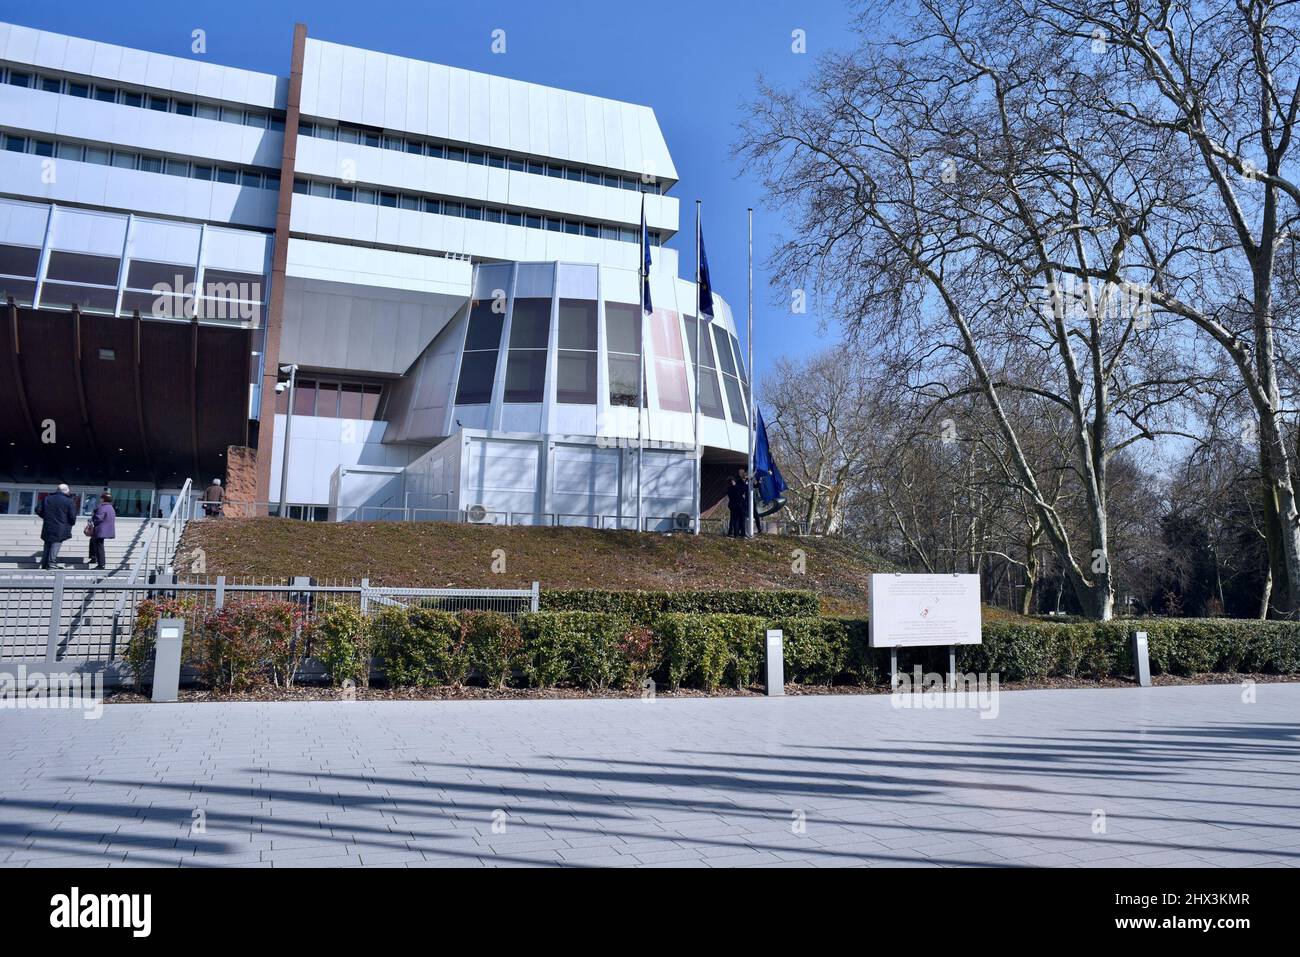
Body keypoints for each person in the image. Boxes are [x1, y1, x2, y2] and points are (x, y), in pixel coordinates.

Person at [35, 483, 78, 570]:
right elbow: (72, 516)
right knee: (55, 545)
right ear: (65, 491)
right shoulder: (69, 501)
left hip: (48, 525)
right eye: (68, 490)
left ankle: (45, 564)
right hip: (61, 526)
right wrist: (70, 523)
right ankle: (51, 564)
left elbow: (38, 510)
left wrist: (45, 517)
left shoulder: (47, 498)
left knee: (47, 544)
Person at [89, 492, 116, 571]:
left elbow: (98, 518)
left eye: (101, 498)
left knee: (99, 546)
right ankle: (94, 558)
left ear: (103, 499)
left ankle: (101, 564)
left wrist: (92, 518)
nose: (100, 499)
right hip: (106, 529)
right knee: (94, 542)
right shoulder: (110, 507)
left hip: (101, 529)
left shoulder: (102, 507)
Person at [726, 469, 748, 537]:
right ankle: (743, 534)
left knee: (735, 520)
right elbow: (743, 490)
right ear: (733, 481)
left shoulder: (729, 489)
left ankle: (736, 534)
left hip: (732, 506)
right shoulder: (736, 488)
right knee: (742, 520)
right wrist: (746, 483)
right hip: (739, 506)